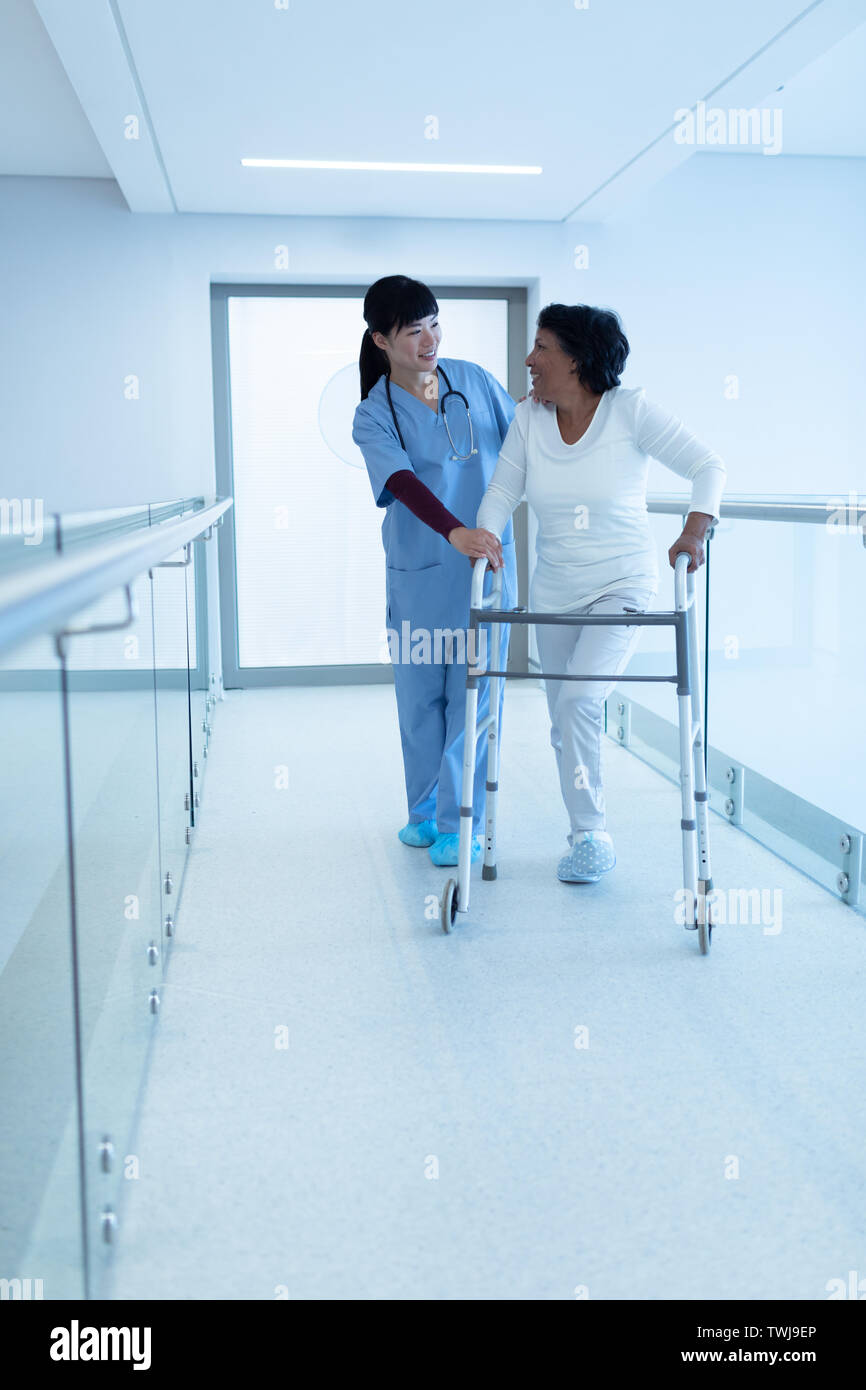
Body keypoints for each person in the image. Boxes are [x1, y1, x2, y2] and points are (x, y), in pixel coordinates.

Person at [477, 303, 726, 884]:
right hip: (554, 593)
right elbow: (502, 491)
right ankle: (582, 831)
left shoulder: (629, 410)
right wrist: (486, 538)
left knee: (580, 701)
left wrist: (694, 531)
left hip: (622, 584)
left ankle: (593, 835)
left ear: (577, 358)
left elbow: (707, 465)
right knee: (563, 720)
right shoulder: (529, 418)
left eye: (542, 347)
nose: (529, 359)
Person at [352, 275, 518, 867]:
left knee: (473, 699)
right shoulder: (373, 414)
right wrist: (454, 531)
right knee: (420, 702)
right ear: (380, 340)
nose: (430, 340)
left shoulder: (473, 381)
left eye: (435, 324)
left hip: (482, 571)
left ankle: (458, 821)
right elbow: (400, 481)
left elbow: (524, 441)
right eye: (413, 331)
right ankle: (422, 811)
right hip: (420, 574)